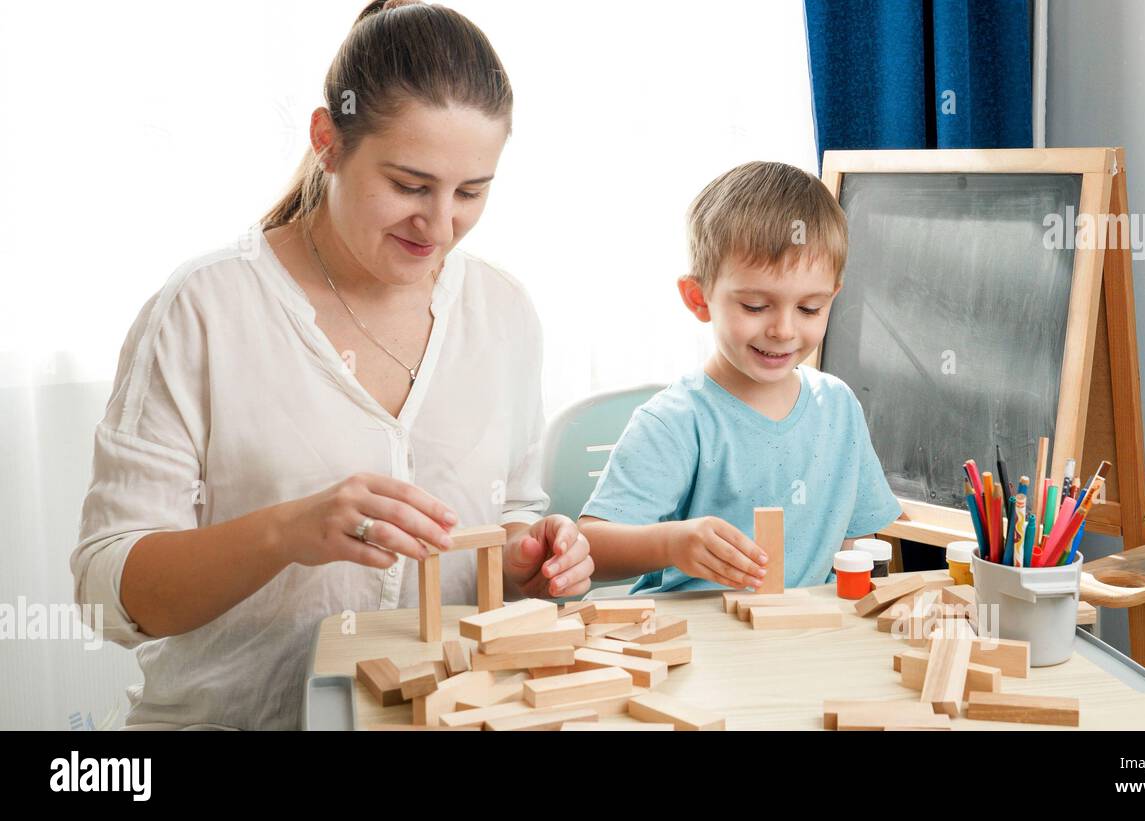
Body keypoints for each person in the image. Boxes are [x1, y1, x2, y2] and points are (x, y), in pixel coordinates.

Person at [71, 0, 593, 730]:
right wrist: (285, 531)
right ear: (327, 140)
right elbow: (106, 593)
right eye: (411, 185)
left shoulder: (503, 313)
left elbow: (509, 516)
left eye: (471, 192)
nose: (441, 226)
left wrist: (522, 559)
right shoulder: (204, 309)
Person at [578, 161, 901, 594]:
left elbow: (862, 544)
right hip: (701, 645)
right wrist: (670, 544)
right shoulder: (676, 420)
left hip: (805, 644)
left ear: (833, 298)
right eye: (754, 306)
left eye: (809, 308)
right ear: (699, 298)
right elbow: (589, 549)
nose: (784, 330)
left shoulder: (839, 407)